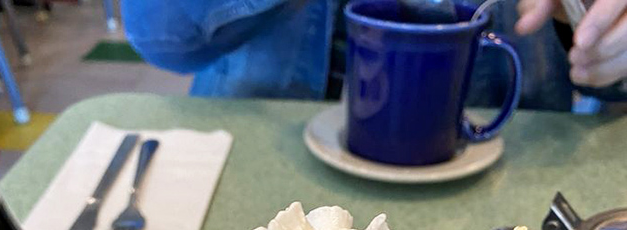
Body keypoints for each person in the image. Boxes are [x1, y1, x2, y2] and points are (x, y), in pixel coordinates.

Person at [121, 0, 627, 110]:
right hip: (251, 158)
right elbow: (162, 38)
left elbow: (608, 81)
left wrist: (593, 30)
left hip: (505, 179)